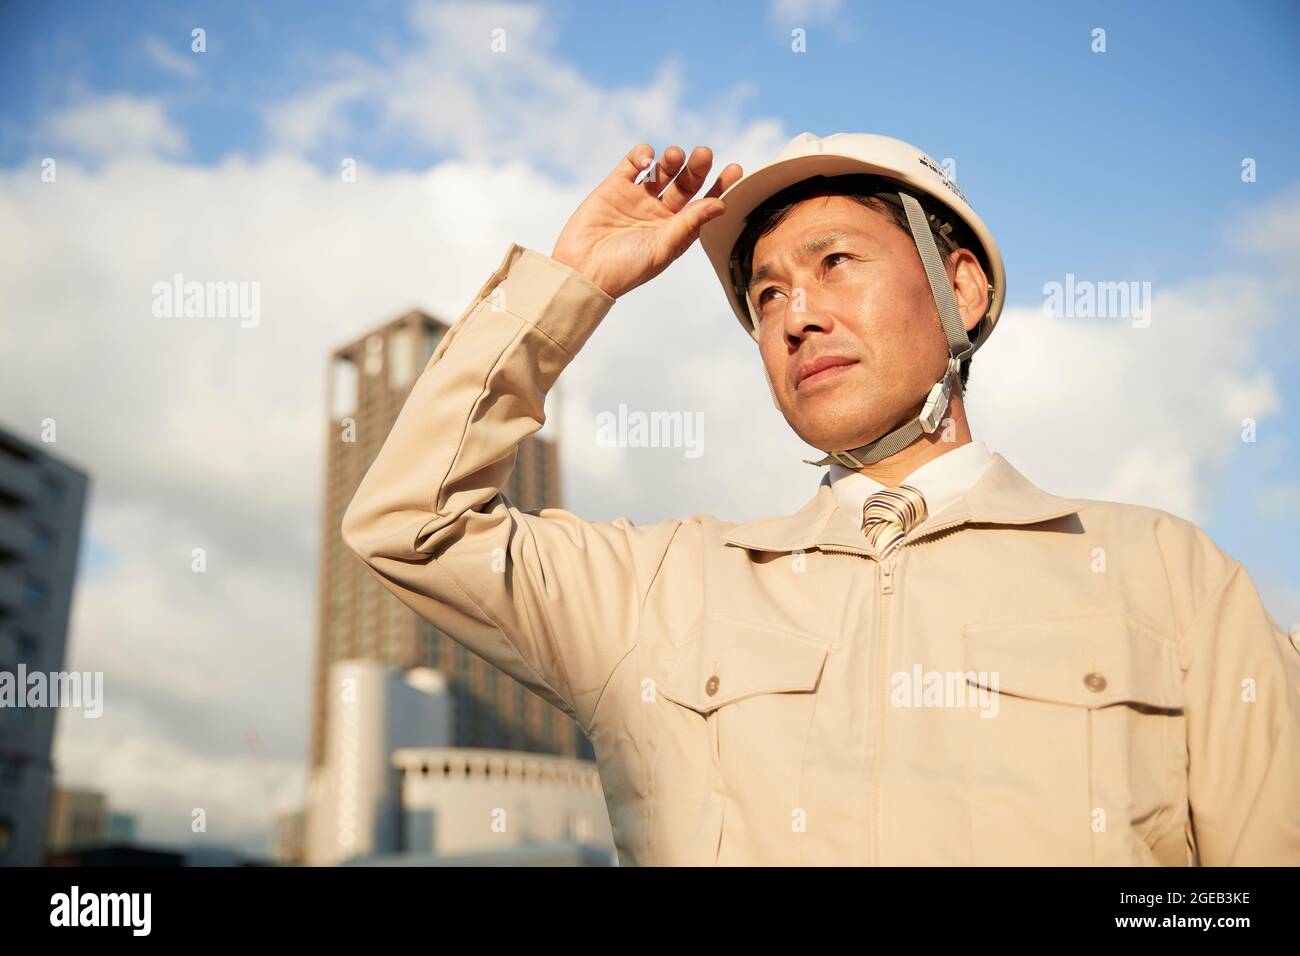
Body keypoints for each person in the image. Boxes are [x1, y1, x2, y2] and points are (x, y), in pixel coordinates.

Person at [341, 132, 1300, 865]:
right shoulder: (660, 590)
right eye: (765, 296)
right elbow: (409, 522)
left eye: (835, 263)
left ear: (958, 289)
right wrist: (571, 290)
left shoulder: (1169, 579)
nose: (797, 315)